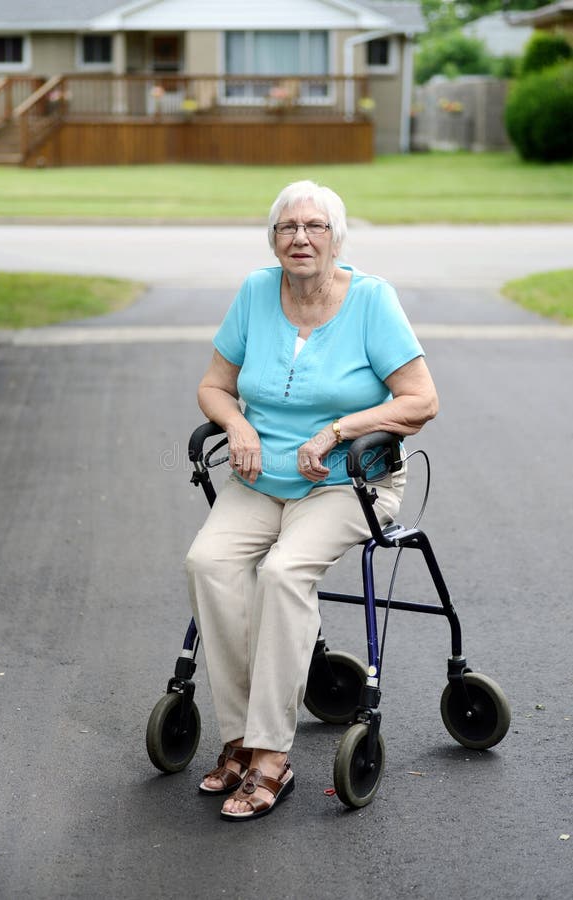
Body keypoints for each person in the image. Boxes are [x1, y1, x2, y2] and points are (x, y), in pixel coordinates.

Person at [185, 180, 438, 822]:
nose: (300, 238)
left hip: (348, 481)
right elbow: (214, 386)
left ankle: (271, 754)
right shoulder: (254, 292)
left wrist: (338, 430)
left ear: (336, 238)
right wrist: (238, 426)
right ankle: (238, 737)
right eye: (287, 228)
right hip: (262, 478)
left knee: (282, 572)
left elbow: (421, 400)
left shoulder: (372, 301)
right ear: (273, 240)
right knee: (209, 563)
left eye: (314, 227)